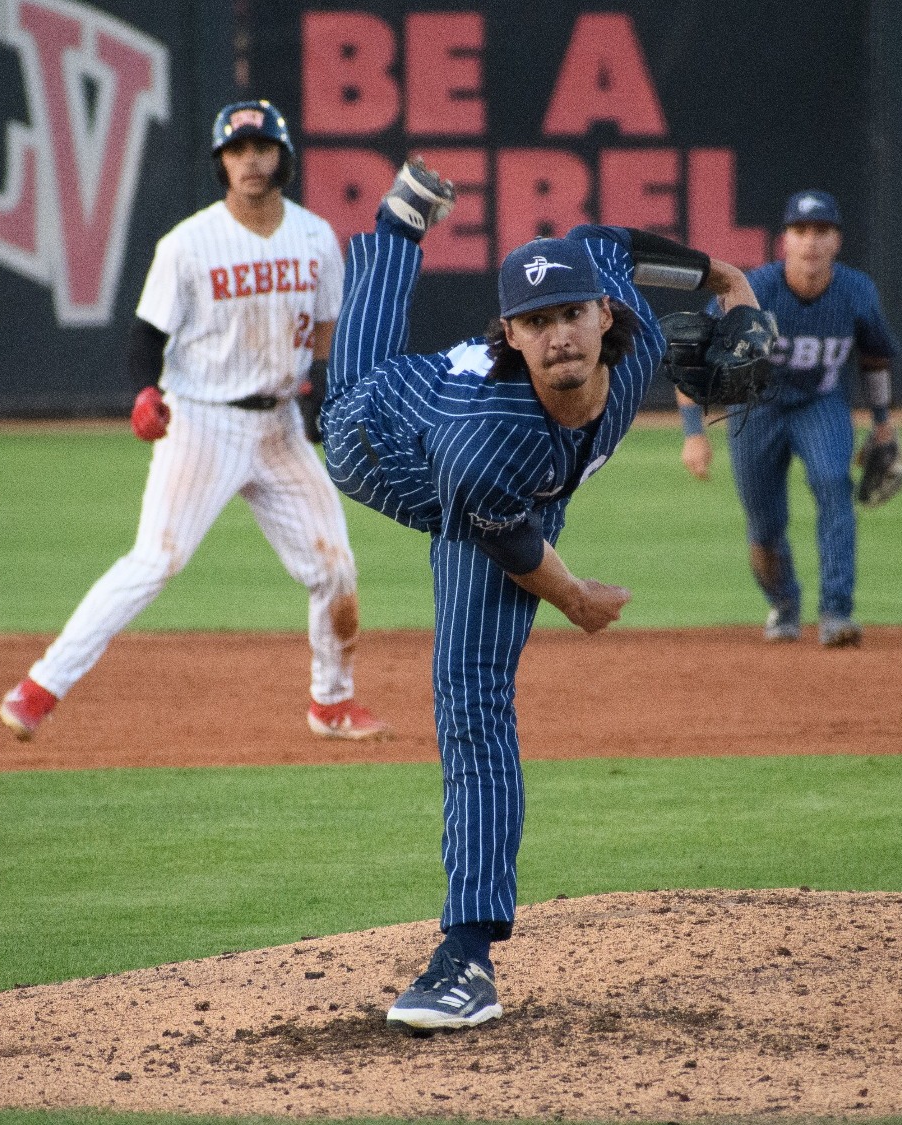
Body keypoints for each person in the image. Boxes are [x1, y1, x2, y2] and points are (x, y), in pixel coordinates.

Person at [322, 158, 760, 1030]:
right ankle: (465, 957)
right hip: (395, 450)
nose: (559, 334)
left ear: (604, 313)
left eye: (571, 312)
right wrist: (578, 598)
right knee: (472, 695)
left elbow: (609, 241)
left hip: (512, 470)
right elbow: (516, 542)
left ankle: (400, 223)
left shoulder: (630, 344)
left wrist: (729, 280)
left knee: (478, 693)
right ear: (511, 337)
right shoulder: (487, 441)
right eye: (535, 322)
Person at [0, 101, 389, 743]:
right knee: (155, 560)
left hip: (279, 425)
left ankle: (332, 703)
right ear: (221, 163)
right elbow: (146, 336)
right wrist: (144, 393)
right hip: (203, 422)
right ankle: (39, 688)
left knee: (335, 568)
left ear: (283, 157)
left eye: (261, 148)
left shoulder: (316, 236)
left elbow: (324, 331)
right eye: (237, 151)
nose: (251, 161)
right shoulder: (188, 244)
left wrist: (321, 395)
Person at [678, 189, 899, 648]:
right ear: (785, 240)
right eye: (800, 230)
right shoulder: (754, 288)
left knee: (833, 485)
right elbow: (692, 351)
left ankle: (836, 612)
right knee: (764, 525)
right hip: (754, 410)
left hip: (820, 403)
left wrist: (881, 422)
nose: (811, 241)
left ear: (837, 240)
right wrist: (694, 433)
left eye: (822, 230)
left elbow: (875, 358)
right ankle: (783, 604)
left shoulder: (857, 291)